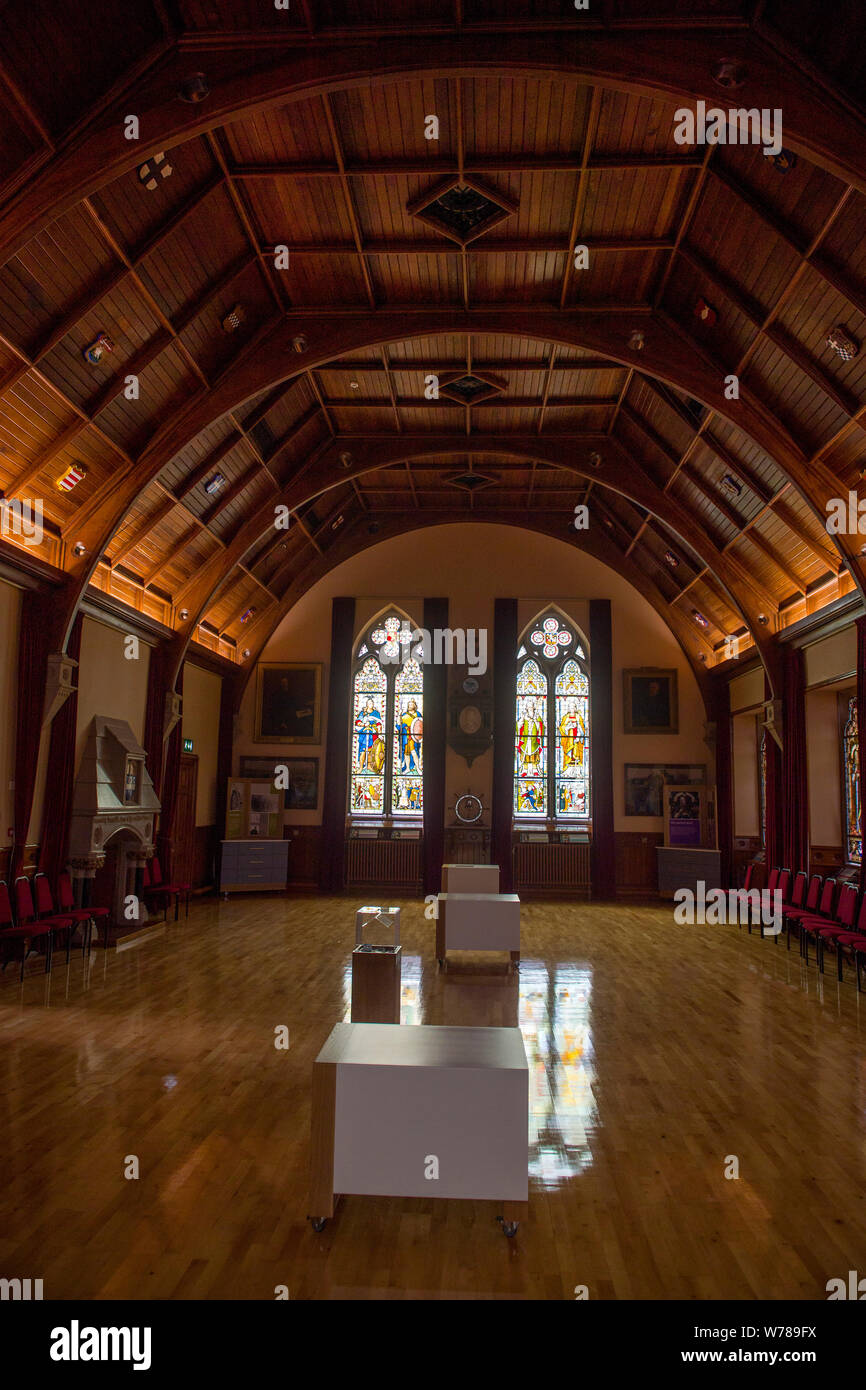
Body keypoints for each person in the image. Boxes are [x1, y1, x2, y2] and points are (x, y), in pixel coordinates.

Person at [355, 696, 384, 772]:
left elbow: (379, 724)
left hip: (373, 734)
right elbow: (357, 722)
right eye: (369, 703)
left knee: (371, 751)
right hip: (364, 734)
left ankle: (369, 766)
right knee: (363, 751)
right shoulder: (362, 713)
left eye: (372, 703)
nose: (371, 704)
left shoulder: (376, 713)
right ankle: (361, 767)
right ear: (367, 704)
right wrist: (364, 724)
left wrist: (380, 733)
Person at [398, 698, 423, 773]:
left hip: (414, 736)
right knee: (406, 752)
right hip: (406, 735)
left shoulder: (417, 714)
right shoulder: (404, 714)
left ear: (414, 706)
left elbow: (421, 725)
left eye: (411, 704)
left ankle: (418, 768)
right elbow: (399, 724)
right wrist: (399, 715)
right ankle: (408, 768)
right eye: (409, 705)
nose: (410, 706)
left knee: (413, 751)